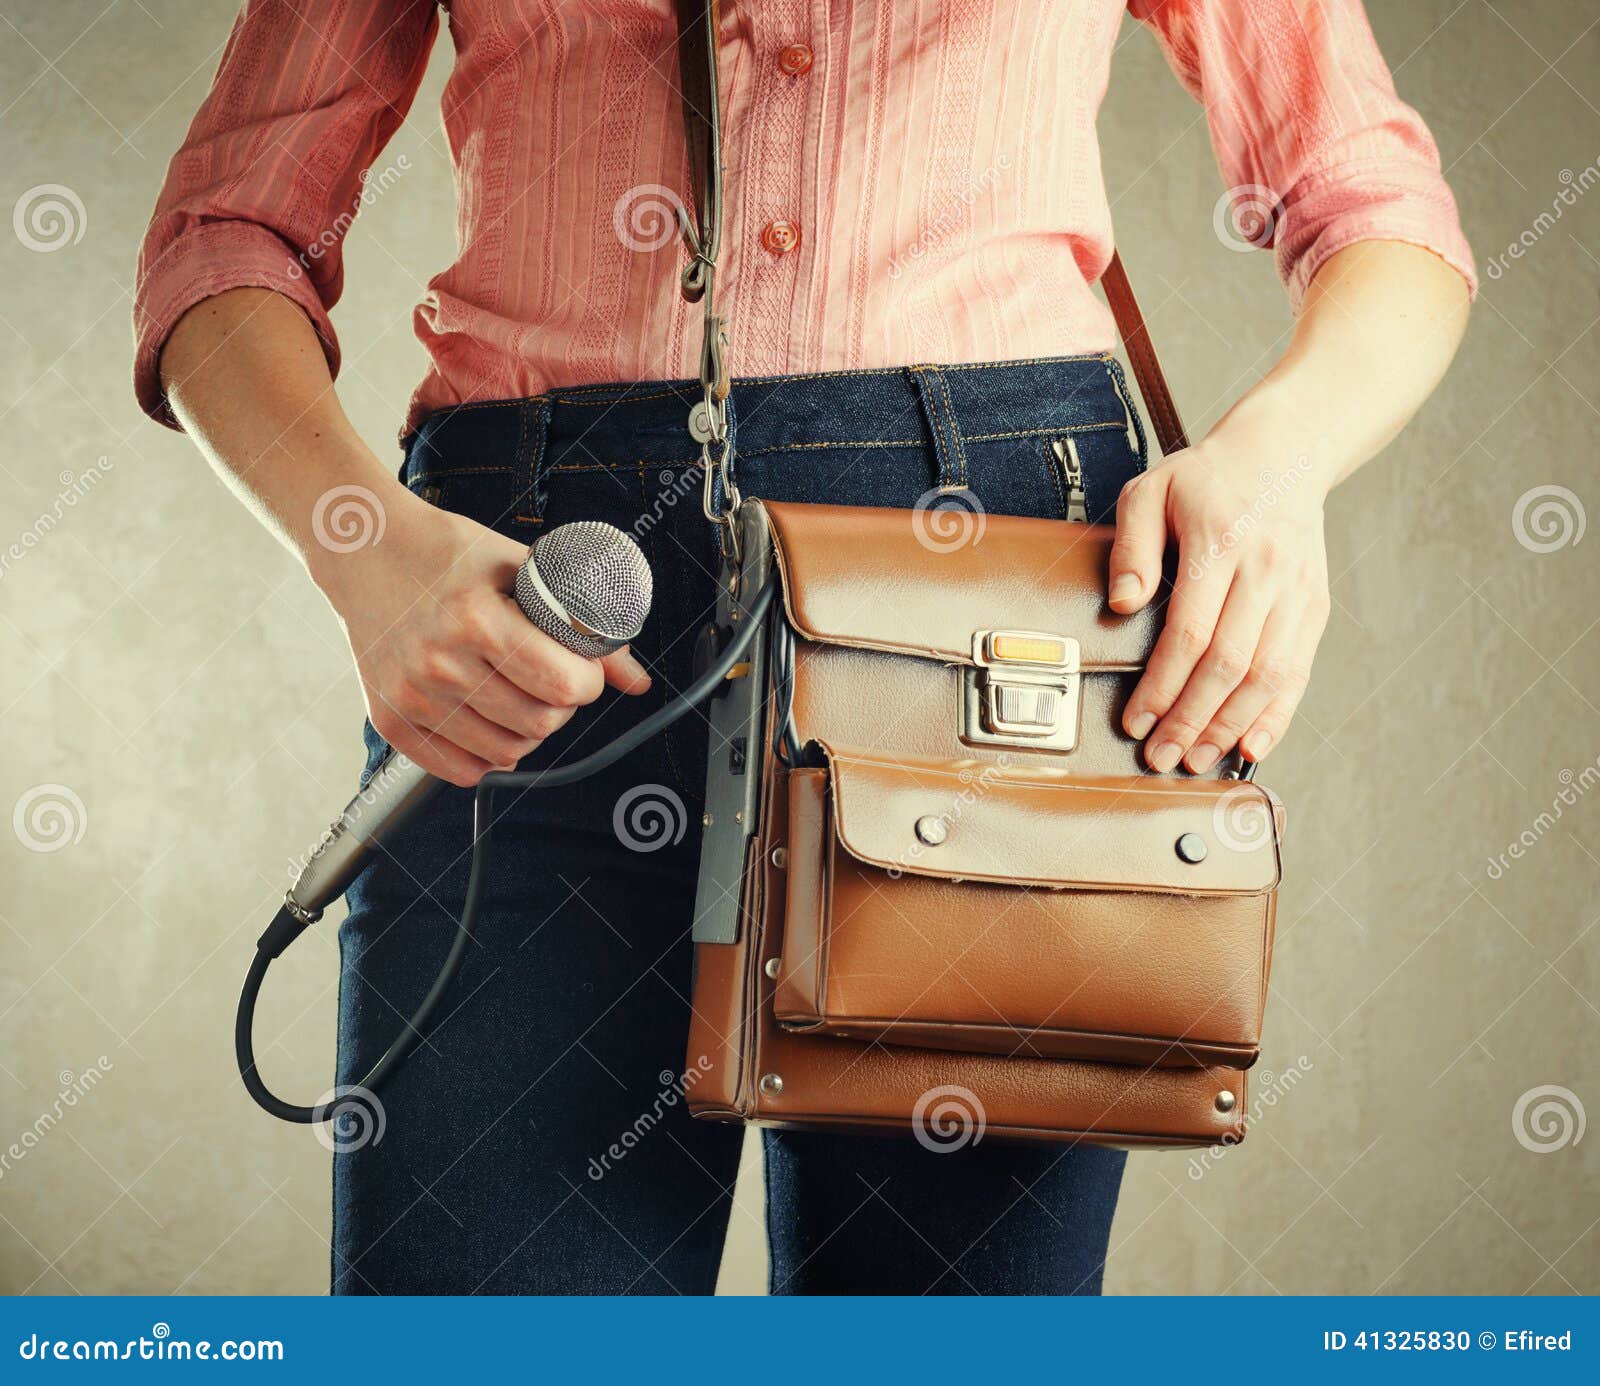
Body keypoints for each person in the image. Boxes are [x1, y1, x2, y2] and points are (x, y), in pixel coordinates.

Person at [134, 1, 1472, 1295]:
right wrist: (366, 553)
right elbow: (226, 230)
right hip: (536, 620)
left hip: (994, 632)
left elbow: (1374, 203)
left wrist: (1278, 466)